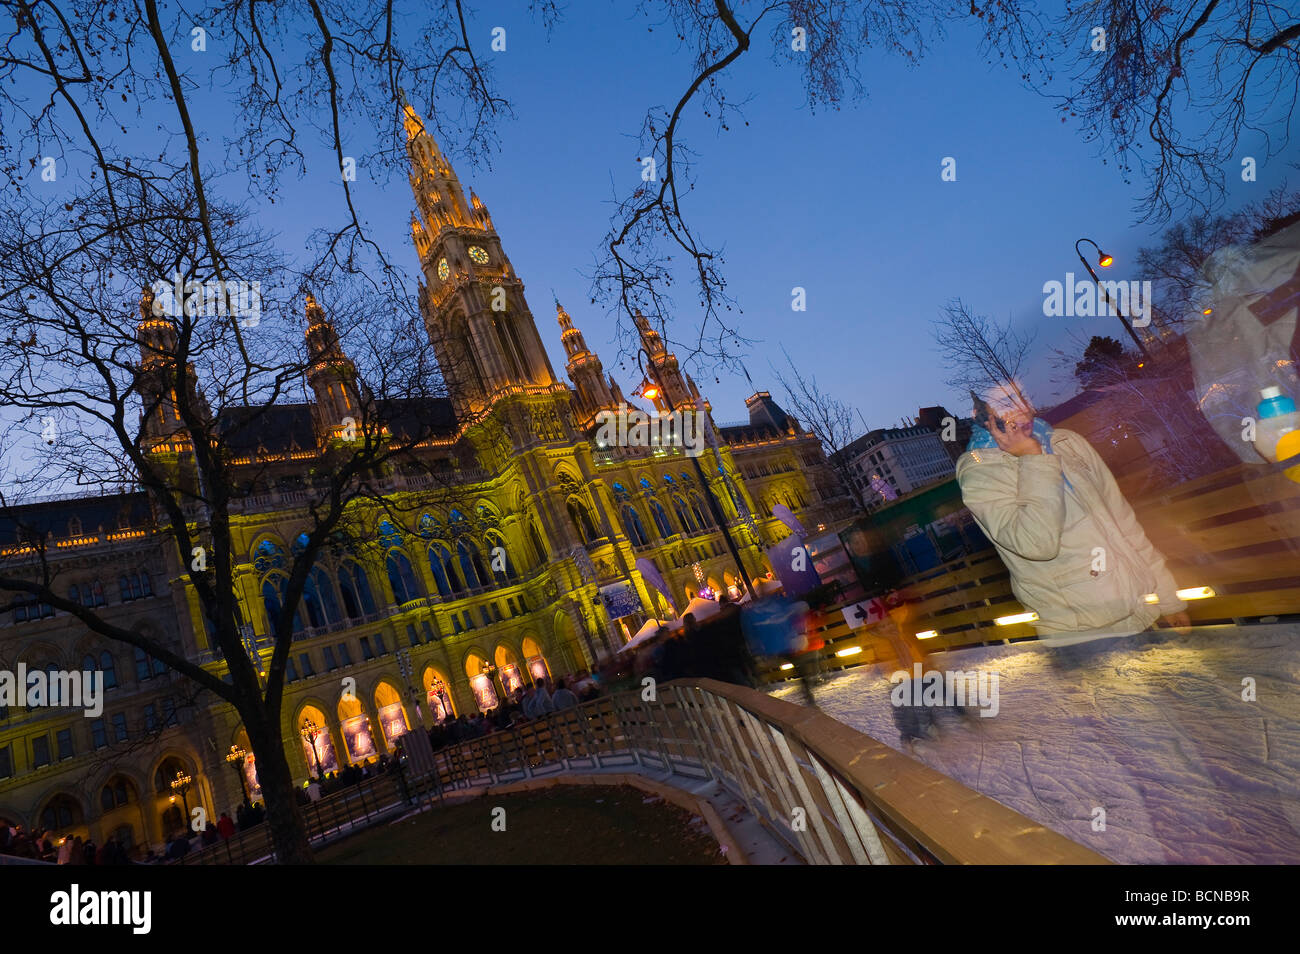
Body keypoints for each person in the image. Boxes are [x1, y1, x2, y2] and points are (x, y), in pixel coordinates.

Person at [956, 382, 1189, 660]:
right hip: (1082, 637)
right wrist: (1032, 459)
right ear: (986, 418)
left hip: (1140, 613)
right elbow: (1036, 544)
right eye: (1004, 404)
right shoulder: (981, 471)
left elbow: (1123, 521)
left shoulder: (1066, 442)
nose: (1018, 409)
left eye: (1019, 397)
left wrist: (1168, 597)